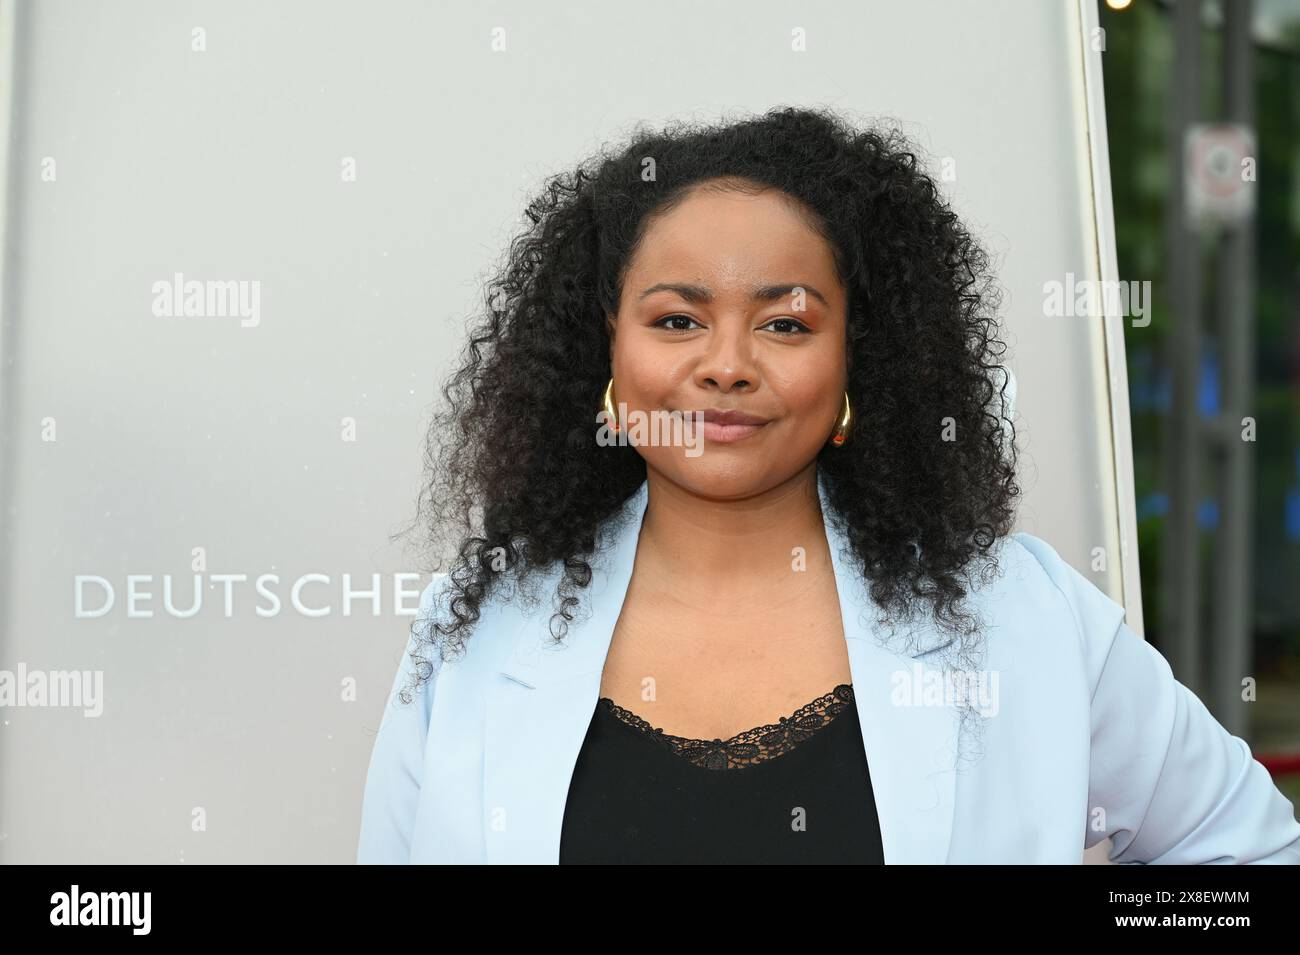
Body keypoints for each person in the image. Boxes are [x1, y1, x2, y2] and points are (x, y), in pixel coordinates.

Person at [358, 106, 1300, 864]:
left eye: (787, 324)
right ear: (605, 346)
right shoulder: (474, 630)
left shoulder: (1025, 615)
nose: (726, 365)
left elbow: (1250, 853)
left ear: (860, 357)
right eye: (678, 320)